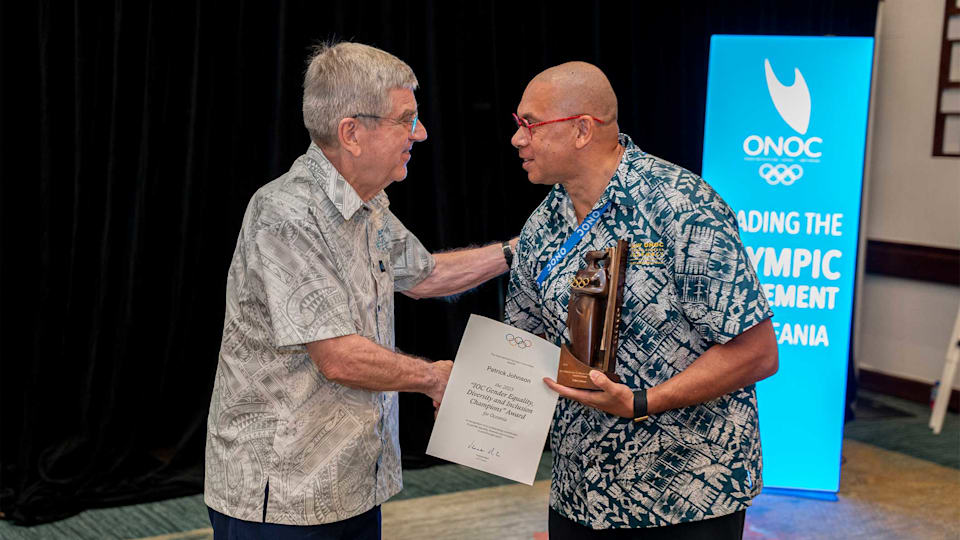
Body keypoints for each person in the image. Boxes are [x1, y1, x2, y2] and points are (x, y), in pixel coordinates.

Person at [204, 41, 517, 539]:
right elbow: (339, 357)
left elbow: (427, 275)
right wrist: (434, 379)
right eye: (406, 119)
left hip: (350, 484)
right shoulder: (287, 213)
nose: (420, 132)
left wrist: (517, 251)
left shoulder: (367, 206)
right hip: (284, 495)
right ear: (351, 132)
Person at [504, 61, 779, 539]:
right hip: (579, 494)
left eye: (530, 124)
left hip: (685, 495)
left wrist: (641, 402)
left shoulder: (682, 207)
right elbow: (526, 344)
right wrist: (471, 395)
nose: (517, 139)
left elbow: (756, 352)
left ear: (582, 129)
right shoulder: (542, 226)